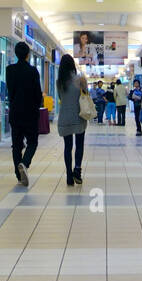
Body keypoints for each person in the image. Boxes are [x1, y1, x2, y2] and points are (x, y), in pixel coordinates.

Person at [5, 41, 43, 187]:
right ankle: (24, 164)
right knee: (32, 142)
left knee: (16, 145)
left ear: (16, 54)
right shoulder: (33, 71)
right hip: (30, 113)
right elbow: (37, 94)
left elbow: (11, 92)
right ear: (28, 55)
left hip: (15, 112)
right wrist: (37, 106)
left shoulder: (9, 70)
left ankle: (18, 174)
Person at [55, 54, 89, 186]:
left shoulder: (59, 82)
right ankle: (77, 170)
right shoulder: (80, 80)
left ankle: (69, 175)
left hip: (64, 118)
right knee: (79, 145)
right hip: (79, 116)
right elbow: (86, 95)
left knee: (67, 147)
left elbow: (60, 98)